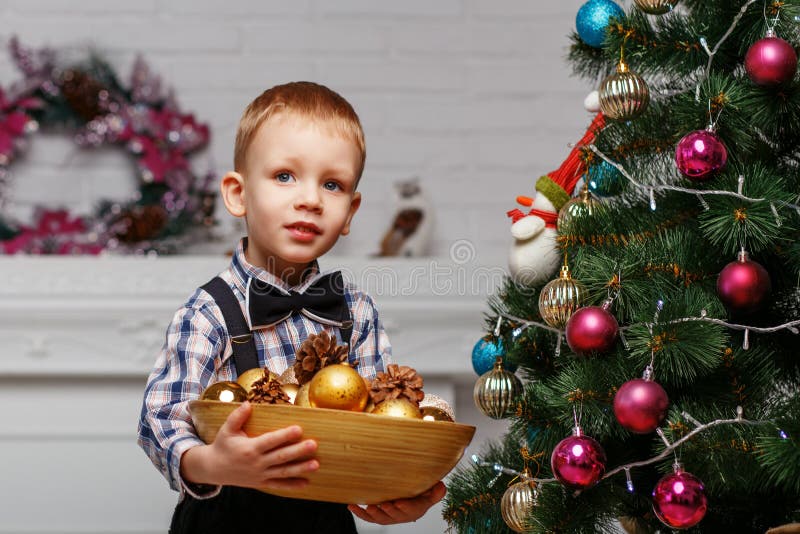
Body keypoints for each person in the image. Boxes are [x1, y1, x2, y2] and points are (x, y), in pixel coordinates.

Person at [137, 81, 446, 532]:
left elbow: (383, 421)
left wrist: (399, 490)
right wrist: (212, 463)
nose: (310, 199)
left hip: (325, 522)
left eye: (333, 184)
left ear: (350, 212)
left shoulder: (356, 312)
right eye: (285, 176)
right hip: (225, 520)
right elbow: (158, 418)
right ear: (238, 194)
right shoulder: (209, 310)